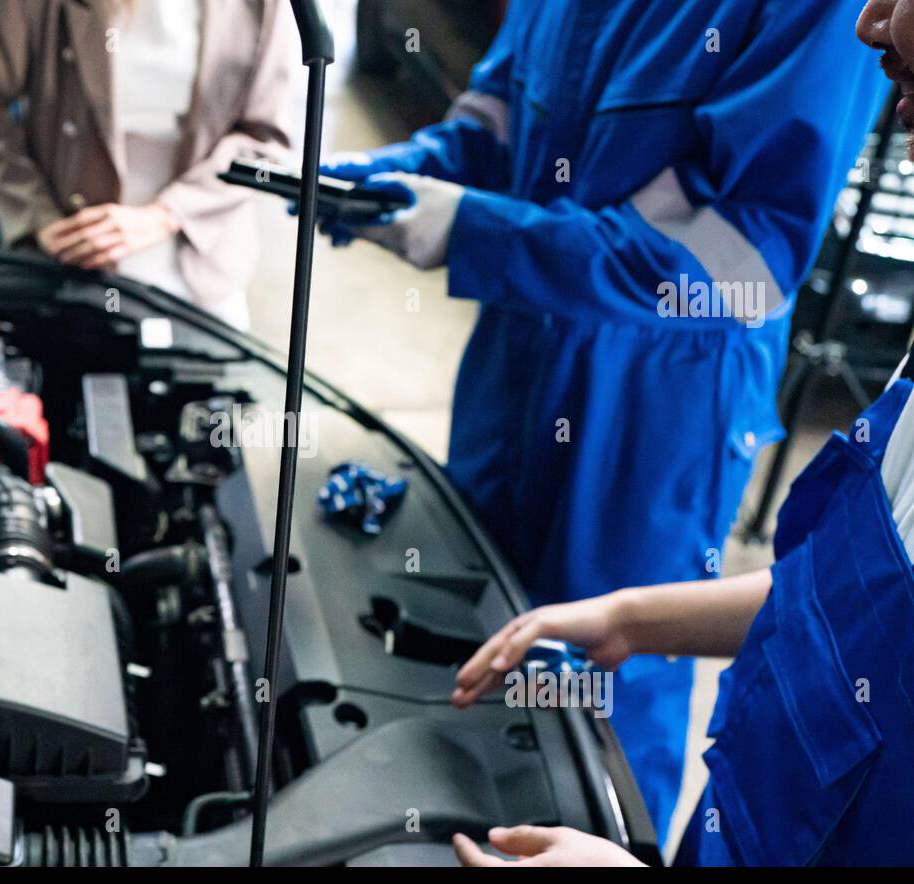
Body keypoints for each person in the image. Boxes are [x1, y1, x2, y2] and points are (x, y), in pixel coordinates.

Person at [319, 0, 886, 841]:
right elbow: (502, 116)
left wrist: (471, 229)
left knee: (604, 692)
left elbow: (741, 257)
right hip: (517, 362)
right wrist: (402, 175)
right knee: (470, 627)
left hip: (656, 402)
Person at [0, 0, 292, 329]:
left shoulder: (258, 7)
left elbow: (261, 137)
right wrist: (35, 213)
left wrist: (165, 214)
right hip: (73, 252)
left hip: (203, 255)